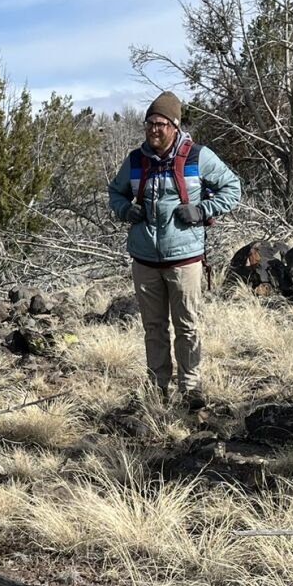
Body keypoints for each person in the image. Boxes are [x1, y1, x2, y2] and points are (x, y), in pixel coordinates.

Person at [108, 91, 241, 407]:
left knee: (187, 325)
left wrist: (203, 210)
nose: (154, 129)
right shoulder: (136, 161)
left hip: (185, 260)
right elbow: (115, 193)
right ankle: (157, 388)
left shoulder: (197, 157)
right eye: (150, 123)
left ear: (175, 126)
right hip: (144, 261)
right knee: (153, 328)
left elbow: (232, 189)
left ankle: (191, 389)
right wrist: (126, 210)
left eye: (161, 124)